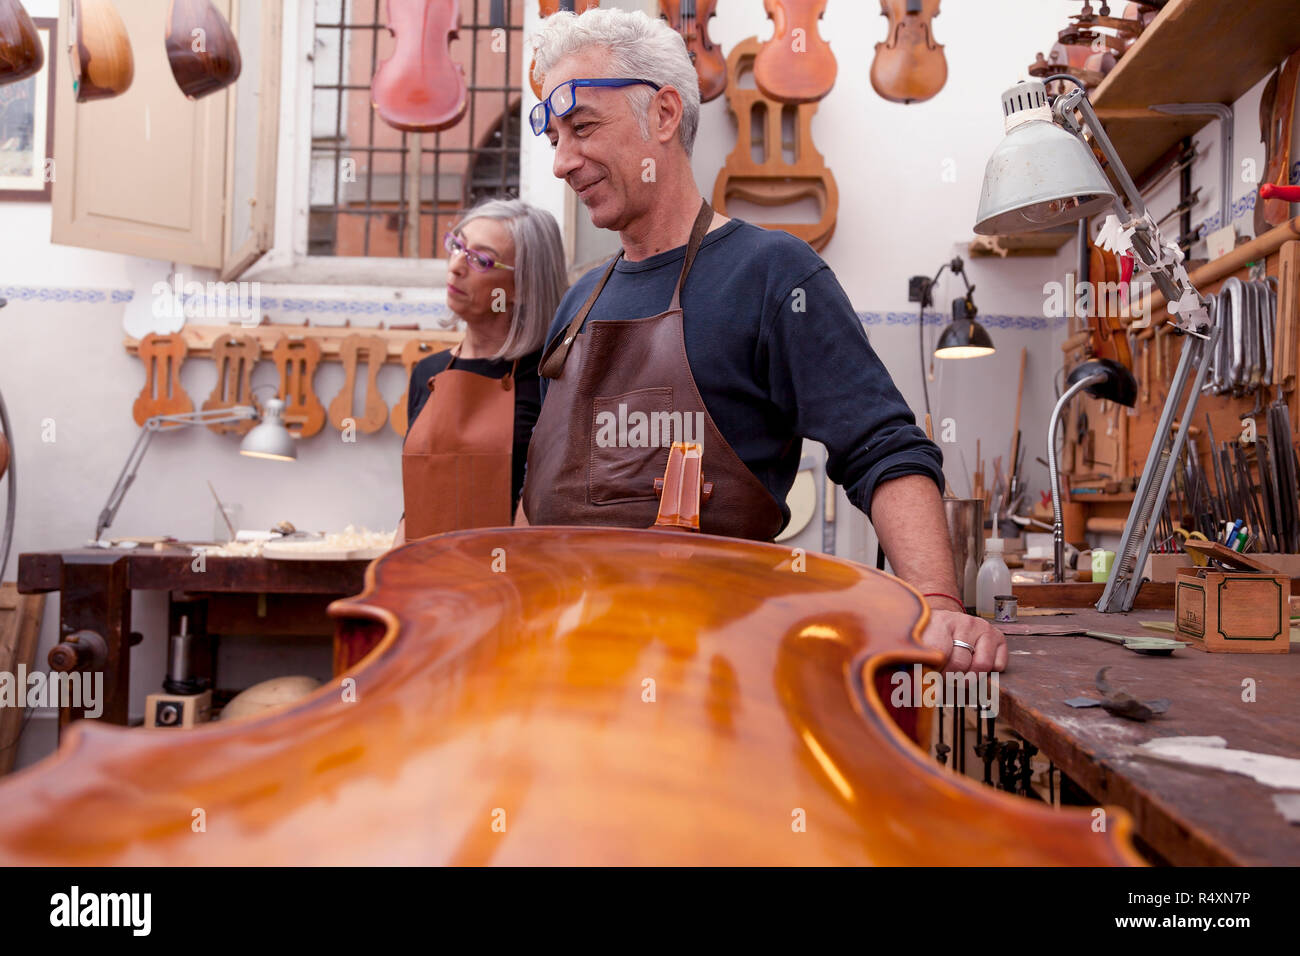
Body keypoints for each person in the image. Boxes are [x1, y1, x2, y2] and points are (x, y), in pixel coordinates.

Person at [521, 9, 1005, 673]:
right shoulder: (579, 301)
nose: (561, 162)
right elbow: (539, 498)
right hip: (559, 667)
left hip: (708, 680)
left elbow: (882, 447)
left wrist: (938, 601)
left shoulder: (773, 274)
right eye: (553, 137)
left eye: (581, 128)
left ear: (663, 117)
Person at [395, 199, 567, 545]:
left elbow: (545, 504)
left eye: (481, 260)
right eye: (457, 246)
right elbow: (414, 504)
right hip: (424, 575)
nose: (457, 266)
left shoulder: (551, 375)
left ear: (522, 288)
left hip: (508, 578)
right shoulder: (427, 372)